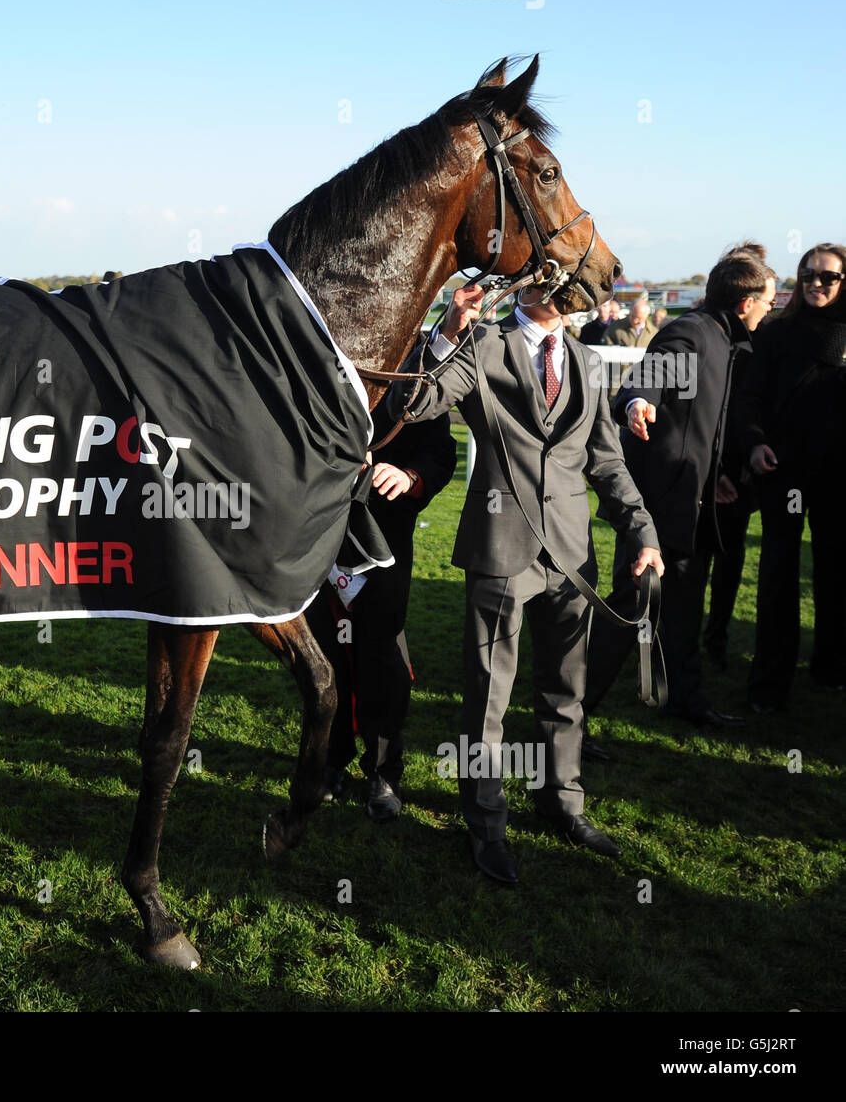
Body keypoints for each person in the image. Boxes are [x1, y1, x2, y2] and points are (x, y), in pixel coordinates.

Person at [400, 283, 663, 884]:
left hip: (572, 554)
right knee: (487, 699)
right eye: (560, 277)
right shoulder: (483, 344)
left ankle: (561, 803)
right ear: (531, 283)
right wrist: (446, 331)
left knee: (565, 691)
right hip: (500, 548)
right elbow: (419, 405)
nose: (575, 289)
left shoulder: (590, 362)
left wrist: (642, 531)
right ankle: (486, 824)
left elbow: (605, 460)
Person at [585, 247, 778, 727]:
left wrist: (718, 479)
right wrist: (637, 404)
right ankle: (571, 713)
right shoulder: (692, 335)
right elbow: (649, 379)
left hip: (691, 506)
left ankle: (685, 699)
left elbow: (701, 425)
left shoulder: (725, 339)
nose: (771, 308)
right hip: (659, 510)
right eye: (768, 301)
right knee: (631, 611)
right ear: (744, 303)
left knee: (685, 609)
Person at [304, 405, 456, 822]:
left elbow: (440, 452)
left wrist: (409, 477)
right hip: (315, 532)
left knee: (383, 656)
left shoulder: (412, 374)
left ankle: (383, 770)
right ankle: (329, 759)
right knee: (321, 653)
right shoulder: (316, 355)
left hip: (385, 533)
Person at [735, 243, 846, 709]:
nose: (815, 283)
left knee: (837, 575)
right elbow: (749, 398)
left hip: (839, 476)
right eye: (807, 275)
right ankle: (769, 682)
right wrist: (755, 442)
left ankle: (832, 668)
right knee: (778, 576)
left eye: (827, 277)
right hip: (784, 472)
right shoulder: (776, 334)